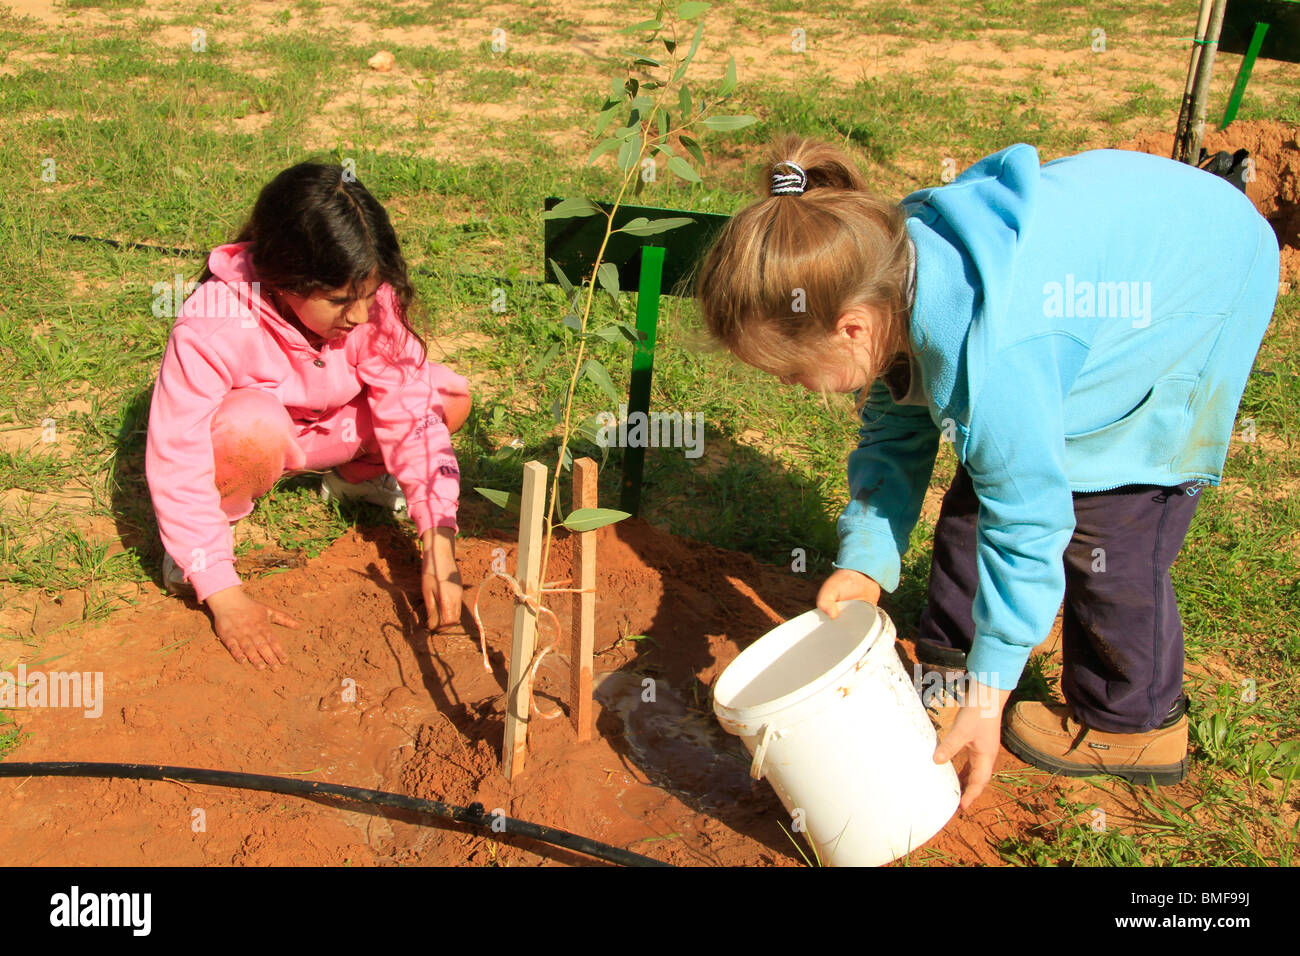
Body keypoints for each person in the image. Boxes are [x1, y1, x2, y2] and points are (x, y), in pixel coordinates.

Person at [696, 135, 1279, 808]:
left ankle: (1136, 722)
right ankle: (948, 678)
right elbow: (898, 423)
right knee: (988, 481)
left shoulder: (998, 351)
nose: (797, 388)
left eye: (794, 372)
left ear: (852, 328)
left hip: (1196, 274)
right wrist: (866, 560)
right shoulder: (880, 264)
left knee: (1109, 527)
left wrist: (992, 691)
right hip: (1105, 248)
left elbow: (1031, 519)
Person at [145, 162, 471, 671]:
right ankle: (200, 549)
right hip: (257, 439)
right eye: (340, 301)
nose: (361, 315)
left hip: (333, 430)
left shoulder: (368, 301)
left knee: (442, 397)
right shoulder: (214, 324)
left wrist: (439, 539)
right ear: (286, 280)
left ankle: (354, 482)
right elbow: (177, 453)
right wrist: (223, 594)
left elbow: (409, 415)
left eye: (368, 295)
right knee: (251, 428)